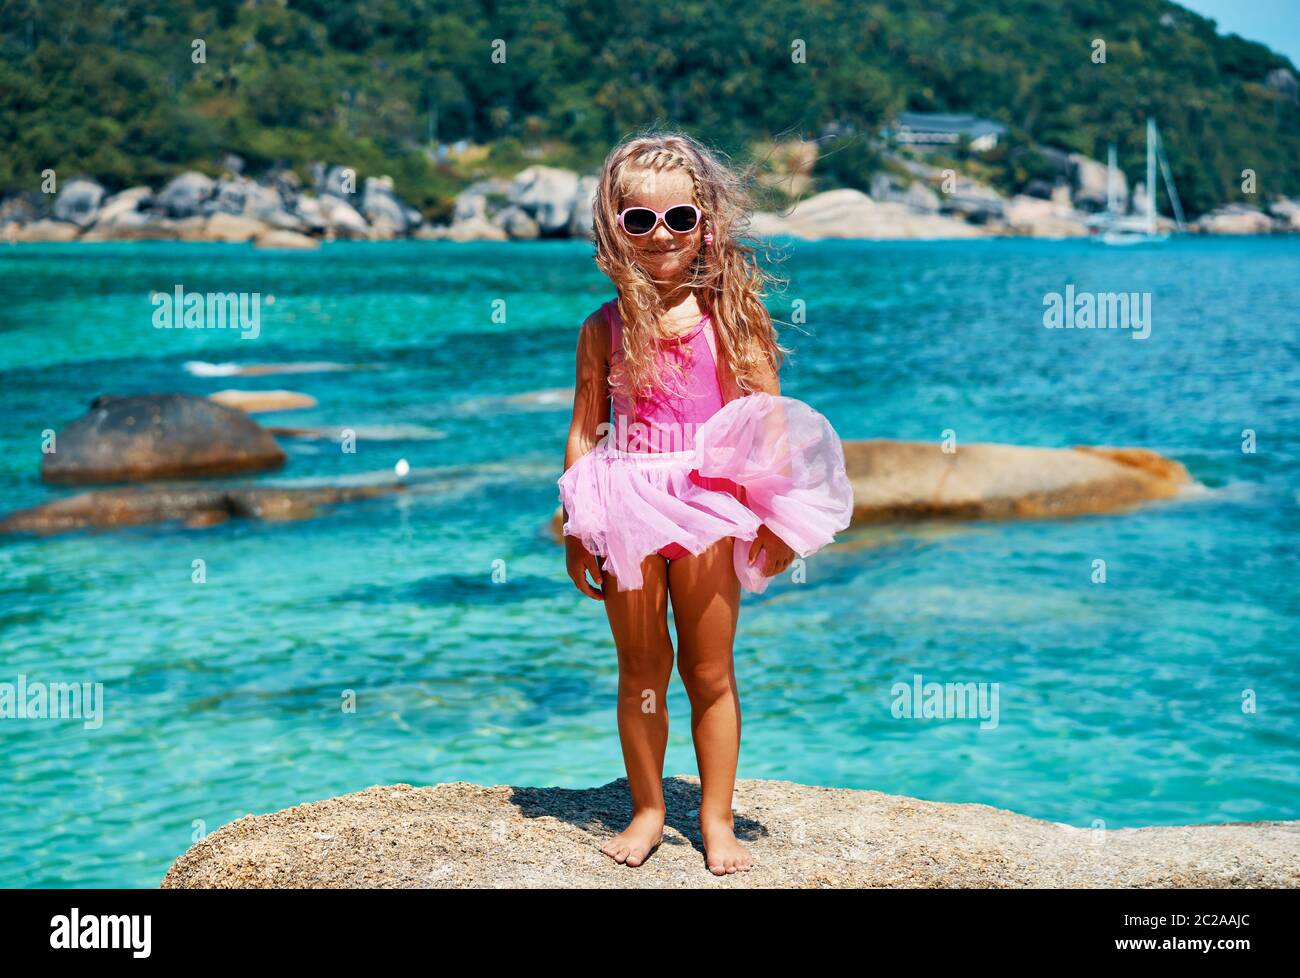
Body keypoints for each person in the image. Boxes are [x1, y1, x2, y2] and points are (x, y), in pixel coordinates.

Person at [558, 131, 853, 875]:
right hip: (624, 502)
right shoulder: (603, 327)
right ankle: (651, 809)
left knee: (710, 672)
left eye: (679, 219)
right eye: (640, 221)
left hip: (708, 506)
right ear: (614, 229)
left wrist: (776, 516)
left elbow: (766, 422)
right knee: (640, 672)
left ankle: (716, 818)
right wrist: (576, 521)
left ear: (706, 227)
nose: (661, 236)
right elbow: (583, 429)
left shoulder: (730, 320)